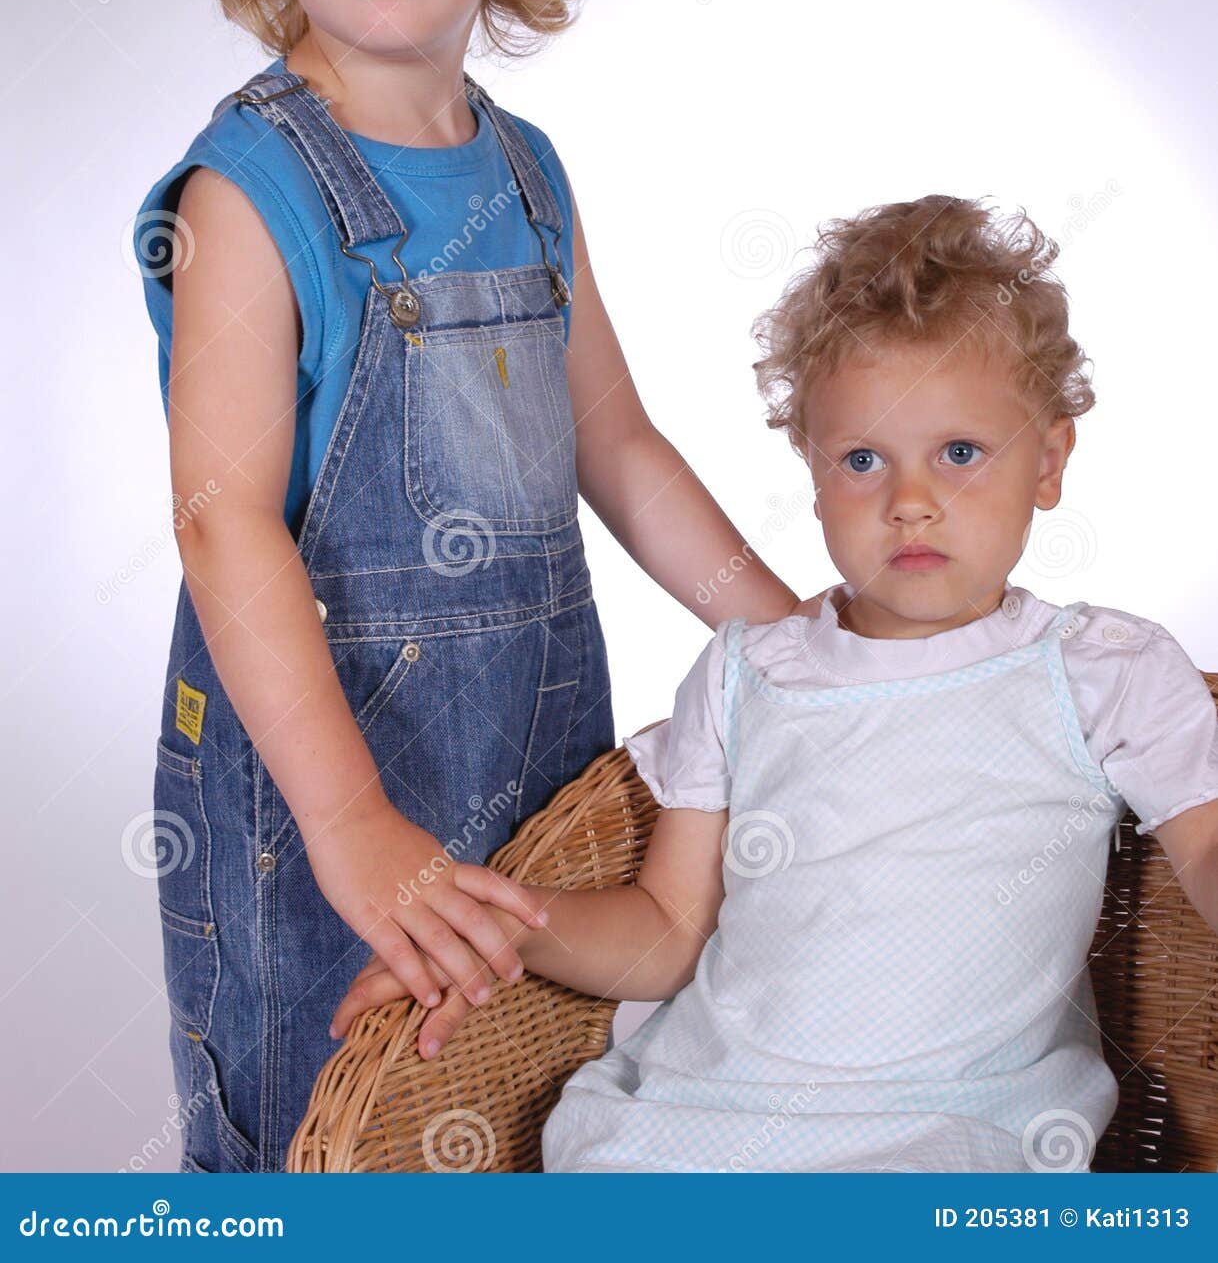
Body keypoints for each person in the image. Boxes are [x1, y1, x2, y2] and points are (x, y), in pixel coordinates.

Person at [133, 0, 803, 1173]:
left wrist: (788, 645)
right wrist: (354, 823)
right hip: (316, 790)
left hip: (526, 763)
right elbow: (224, 519)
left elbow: (616, 445)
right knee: (325, 1116)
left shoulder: (523, 173)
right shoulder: (254, 190)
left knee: (498, 1099)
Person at [333, 193, 1218, 1174]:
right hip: (696, 1123)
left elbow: (1206, 838)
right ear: (811, 467)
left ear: (1048, 460)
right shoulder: (750, 672)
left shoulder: (1099, 671)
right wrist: (516, 923)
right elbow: (666, 931)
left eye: (960, 453)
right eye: (863, 459)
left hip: (954, 1139)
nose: (910, 502)